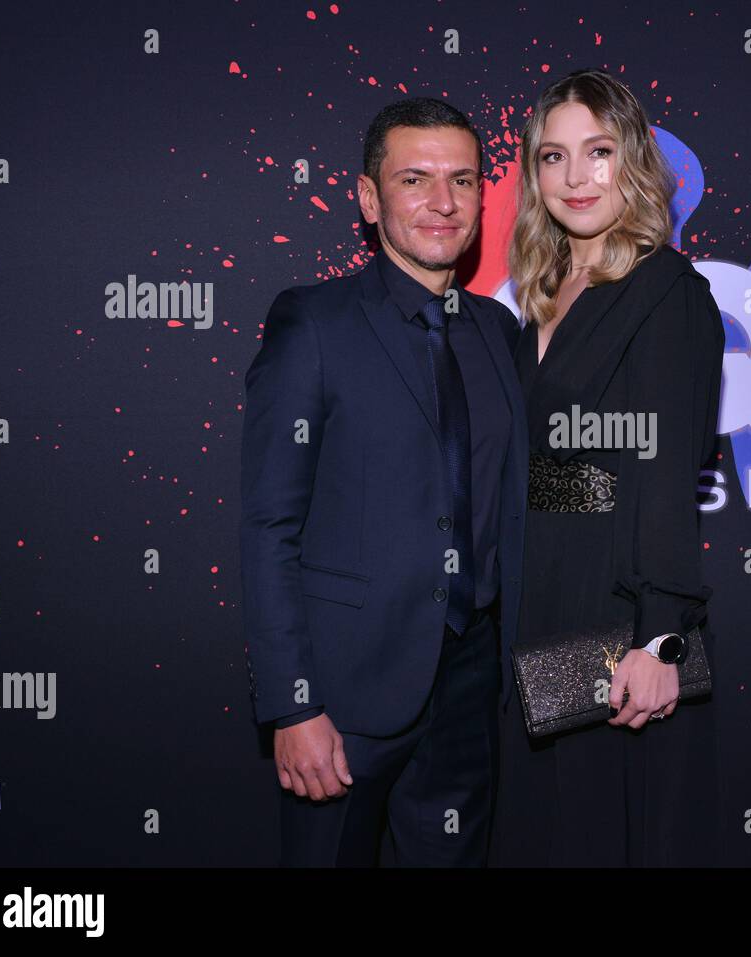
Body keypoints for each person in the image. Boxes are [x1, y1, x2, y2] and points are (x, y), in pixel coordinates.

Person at [239, 97, 528, 866]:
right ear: (369, 199)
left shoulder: (499, 332)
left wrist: (637, 516)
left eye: (463, 180)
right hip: (343, 698)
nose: (443, 202)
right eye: (415, 179)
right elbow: (271, 526)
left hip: (471, 687)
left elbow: (524, 490)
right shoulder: (314, 324)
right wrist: (293, 703)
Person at [489, 69, 726, 867]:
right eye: (553, 157)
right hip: (538, 597)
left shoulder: (666, 289)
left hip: (616, 611)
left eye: (597, 152)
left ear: (633, 162)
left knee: (605, 828)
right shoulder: (546, 291)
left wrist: (659, 638)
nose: (575, 177)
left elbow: (664, 472)